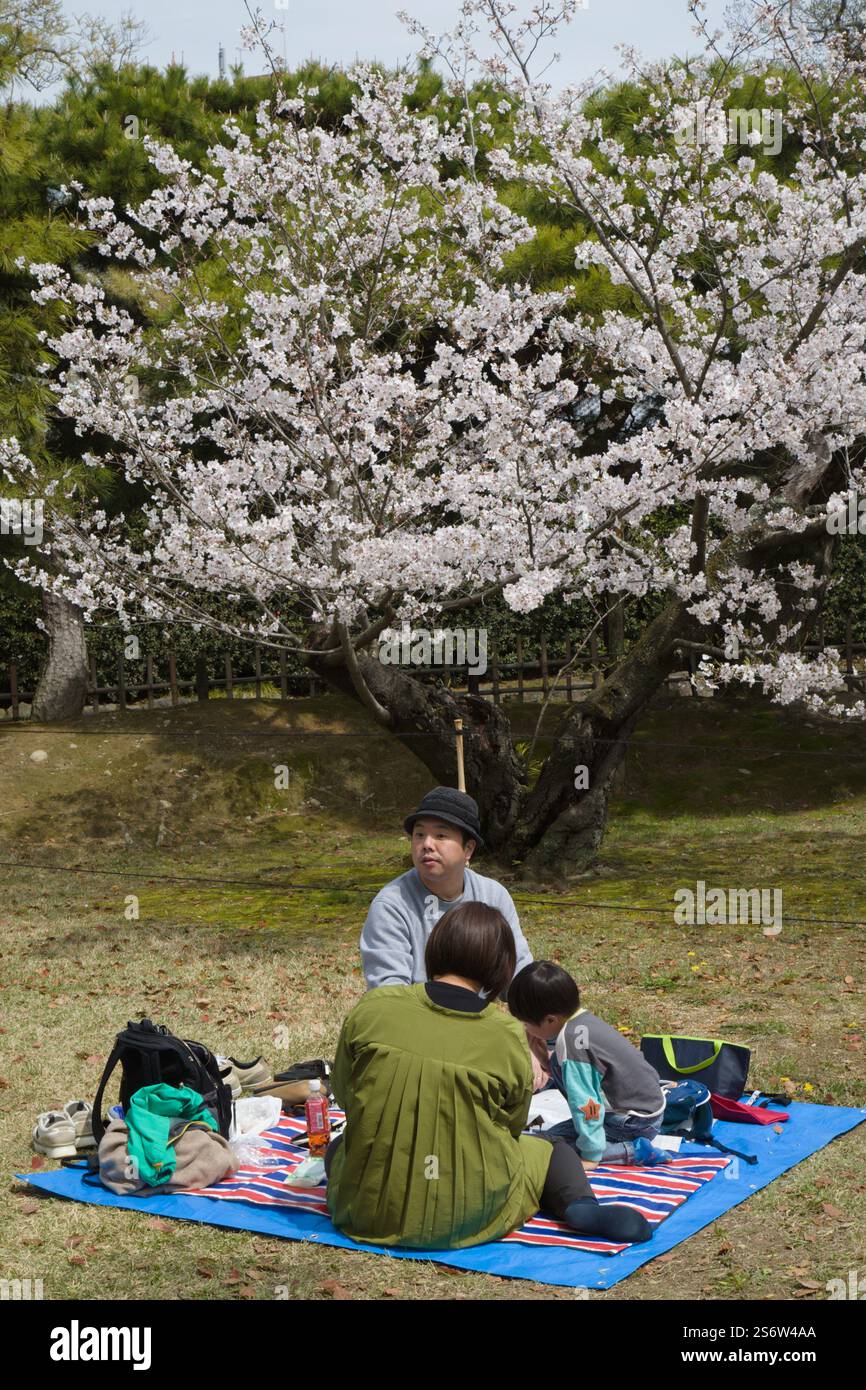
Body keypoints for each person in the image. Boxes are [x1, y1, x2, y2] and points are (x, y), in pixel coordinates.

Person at [326, 904, 652, 1250]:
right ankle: (579, 1206)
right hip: (471, 1211)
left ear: (434, 949)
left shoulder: (373, 1008)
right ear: (501, 969)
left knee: (338, 1149)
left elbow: (346, 1097)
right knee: (551, 1150)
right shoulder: (505, 1032)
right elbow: (510, 1126)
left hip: (366, 1209)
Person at [360, 785, 550, 1088]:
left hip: (480, 1026)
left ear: (469, 849)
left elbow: (519, 978)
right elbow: (389, 1000)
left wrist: (529, 1034)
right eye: (419, 834)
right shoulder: (392, 904)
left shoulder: (492, 895)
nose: (426, 844)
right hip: (418, 1033)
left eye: (441, 835)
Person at [507, 960, 669, 1166]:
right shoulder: (580, 1021)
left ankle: (631, 1151)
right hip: (648, 1110)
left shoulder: (572, 1044)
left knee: (549, 1148)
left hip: (632, 1122)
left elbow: (585, 1102)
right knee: (545, 1139)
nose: (525, 1029)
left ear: (550, 1020)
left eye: (527, 1023)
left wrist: (590, 1155)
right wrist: (542, 1057)